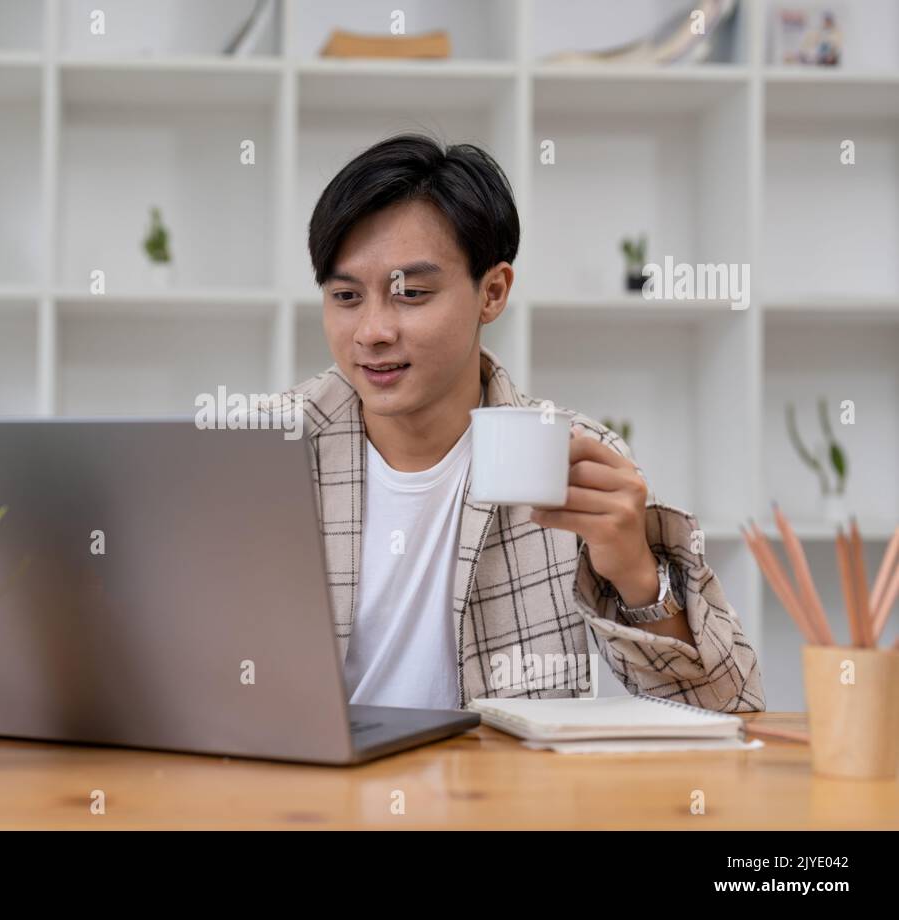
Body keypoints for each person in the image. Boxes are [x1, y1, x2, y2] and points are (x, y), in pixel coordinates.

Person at [280, 133, 764, 712]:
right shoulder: (265, 447)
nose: (372, 331)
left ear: (492, 292)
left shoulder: (571, 458)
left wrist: (638, 574)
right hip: (307, 796)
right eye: (346, 295)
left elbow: (731, 712)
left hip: (503, 799)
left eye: (411, 292)